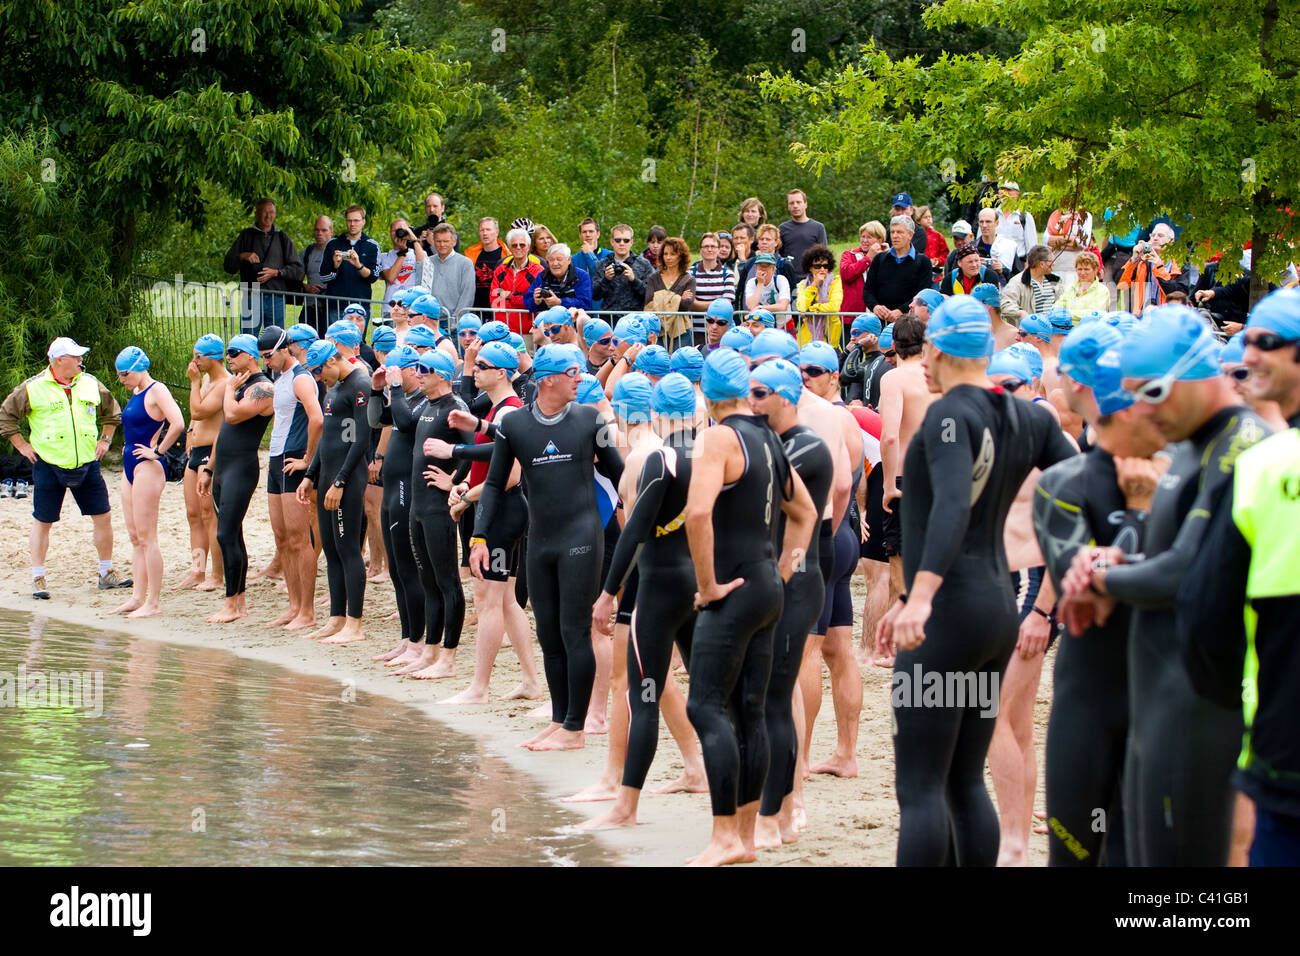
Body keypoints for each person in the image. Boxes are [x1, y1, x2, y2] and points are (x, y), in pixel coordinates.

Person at [1059, 306, 1271, 866]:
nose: (1143, 413)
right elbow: (1163, 545)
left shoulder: (1242, 446)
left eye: (1151, 392)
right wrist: (1115, 556)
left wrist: (1103, 576)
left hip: (1198, 699)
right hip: (1157, 695)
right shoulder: (1189, 445)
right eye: (1130, 396)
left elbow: (1183, 570)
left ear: (1196, 374)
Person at [875, 297, 1075, 866]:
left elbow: (950, 507)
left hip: (949, 614)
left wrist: (921, 598)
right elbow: (1083, 479)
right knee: (964, 779)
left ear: (935, 350)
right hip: (994, 609)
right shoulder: (1031, 415)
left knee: (920, 786)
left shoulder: (948, 415)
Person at [1032, 322, 1165, 866]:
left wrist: (1132, 526)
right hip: (1091, 696)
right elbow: (1083, 587)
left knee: (1137, 856)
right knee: (1076, 850)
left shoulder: (1179, 480)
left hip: (1156, 699)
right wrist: (1140, 517)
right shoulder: (1066, 483)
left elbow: (1175, 577)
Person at [1179, 288, 1300, 866]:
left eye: (1265, 342)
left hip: (1282, 737)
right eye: (1245, 338)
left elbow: (1205, 616)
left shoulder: (1262, 466)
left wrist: (1226, 705)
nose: (1248, 353)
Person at [683, 348, 817, 866]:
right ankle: (742, 838)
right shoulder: (767, 437)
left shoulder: (718, 437)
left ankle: (723, 840)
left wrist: (708, 584)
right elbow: (804, 512)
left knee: (706, 706)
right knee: (750, 710)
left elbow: (698, 513)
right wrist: (782, 571)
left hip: (734, 590)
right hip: (767, 587)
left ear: (707, 394)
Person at [472, 344, 624, 750]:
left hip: (581, 538)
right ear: (549, 378)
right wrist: (480, 536)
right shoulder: (515, 425)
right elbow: (492, 483)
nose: (582, 379)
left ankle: (576, 729)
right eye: (574, 372)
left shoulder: (590, 419)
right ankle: (560, 721)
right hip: (539, 541)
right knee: (549, 634)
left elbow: (621, 478)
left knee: (575, 631)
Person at [576, 374, 709, 828]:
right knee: (677, 683)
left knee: (630, 686)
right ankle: (697, 767)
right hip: (695, 579)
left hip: (650, 581)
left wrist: (608, 594)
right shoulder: (699, 450)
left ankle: (615, 784)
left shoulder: (644, 459)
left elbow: (634, 532)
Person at [747, 358, 834, 848]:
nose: (751, 403)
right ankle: (775, 808)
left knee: (775, 699)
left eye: (760, 394)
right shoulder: (774, 444)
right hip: (772, 578)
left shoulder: (808, 448)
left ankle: (777, 814)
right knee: (762, 699)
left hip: (797, 580)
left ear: (784, 396)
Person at [428, 342, 543, 704]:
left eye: (483, 366)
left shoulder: (510, 413)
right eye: (475, 365)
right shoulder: (498, 411)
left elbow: (509, 476)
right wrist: (464, 483)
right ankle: (530, 682)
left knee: (488, 600)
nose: (474, 370)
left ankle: (479, 688)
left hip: (503, 512)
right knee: (507, 602)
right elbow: (489, 466)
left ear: (503, 373)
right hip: (500, 509)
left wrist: (465, 496)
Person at [0, 337, 133, 600]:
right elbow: (6, 416)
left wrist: (105, 440)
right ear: (59, 360)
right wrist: (22, 446)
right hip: (48, 463)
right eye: (76, 357)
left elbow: (112, 413)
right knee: (43, 520)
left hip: (87, 461)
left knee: (103, 516)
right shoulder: (33, 388)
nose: (81, 360)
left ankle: (106, 573)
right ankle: (38, 577)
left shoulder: (91, 383)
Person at [197, 334, 274, 622]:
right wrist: (208, 468)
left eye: (235, 352)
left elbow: (231, 416)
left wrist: (229, 389)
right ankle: (237, 602)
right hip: (223, 468)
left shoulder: (263, 388)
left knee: (225, 533)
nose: (228, 358)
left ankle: (232, 604)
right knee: (232, 533)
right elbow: (222, 434)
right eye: (227, 352)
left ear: (251, 355)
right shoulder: (240, 384)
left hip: (242, 468)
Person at [104, 347, 184, 617]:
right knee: (135, 537)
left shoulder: (157, 390)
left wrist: (158, 451)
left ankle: (154, 601)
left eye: (124, 374)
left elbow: (178, 422)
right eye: (119, 375)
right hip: (130, 466)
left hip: (147, 468)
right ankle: (137, 597)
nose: (122, 380)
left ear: (139, 367)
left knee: (148, 537)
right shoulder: (137, 393)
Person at [260, 326, 323, 631]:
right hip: (275, 459)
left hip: (293, 458)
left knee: (300, 539)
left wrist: (308, 460)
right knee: (282, 538)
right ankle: (294, 607)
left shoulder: (301, 378)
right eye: (261, 357)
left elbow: (317, 419)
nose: (265, 362)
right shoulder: (280, 377)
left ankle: (307, 611)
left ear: (286, 349)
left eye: (269, 355)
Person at [877, 316, 935, 603]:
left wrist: (888, 485)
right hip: (937, 476)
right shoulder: (936, 377)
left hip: (904, 478)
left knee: (900, 570)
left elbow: (889, 436)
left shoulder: (893, 379)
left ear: (893, 345)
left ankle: (901, 645)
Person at [174, 334, 228, 591]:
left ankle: (217, 575)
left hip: (211, 452)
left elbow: (198, 411)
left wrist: (194, 383)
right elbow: (194, 419)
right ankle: (198, 569)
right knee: (193, 513)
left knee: (210, 514)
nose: (194, 362)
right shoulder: (207, 379)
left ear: (213, 357)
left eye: (199, 356)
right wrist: (189, 432)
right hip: (195, 451)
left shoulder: (224, 383)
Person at [223, 198, 305, 332]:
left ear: (275, 214)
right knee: (248, 339)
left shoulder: (282, 238)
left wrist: (276, 272)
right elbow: (228, 265)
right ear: (256, 214)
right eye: (264, 212)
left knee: (275, 340)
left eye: (271, 212)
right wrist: (243, 256)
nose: (268, 216)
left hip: (276, 297)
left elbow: (298, 270)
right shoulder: (246, 236)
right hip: (251, 294)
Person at [863, 217, 933, 323]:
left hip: (910, 323)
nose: (895, 236)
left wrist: (901, 311)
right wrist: (875, 307)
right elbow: (868, 290)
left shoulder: (923, 261)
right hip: (880, 322)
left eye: (900, 232)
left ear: (910, 235)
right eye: (892, 232)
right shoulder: (879, 259)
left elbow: (922, 294)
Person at [320, 205, 380, 323]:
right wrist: (335, 266)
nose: (352, 224)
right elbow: (323, 277)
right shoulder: (333, 243)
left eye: (356, 220)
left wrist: (358, 265)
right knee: (335, 340)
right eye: (349, 220)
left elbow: (373, 277)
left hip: (360, 306)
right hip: (336, 306)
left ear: (363, 222)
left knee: (358, 340)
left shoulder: (372, 245)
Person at [593, 225, 654, 320]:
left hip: (635, 319)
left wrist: (634, 280)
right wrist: (606, 280)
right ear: (612, 241)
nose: (622, 243)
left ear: (631, 242)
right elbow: (595, 295)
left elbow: (651, 295)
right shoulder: (602, 264)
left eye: (626, 240)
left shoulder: (644, 264)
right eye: (618, 240)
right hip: (609, 318)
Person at [490, 228, 544, 333]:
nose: (518, 248)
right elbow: (494, 301)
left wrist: (509, 296)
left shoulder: (538, 271)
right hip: (503, 330)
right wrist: (521, 298)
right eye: (514, 245)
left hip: (528, 331)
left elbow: (533, 302)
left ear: (528, 246)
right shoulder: (500, 270)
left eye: (522, 245)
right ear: (509, 247)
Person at [419, 224, 475, 323]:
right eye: (438, 241)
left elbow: (467, 296)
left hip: (453, 321)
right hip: (429, 320)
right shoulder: (428, 262)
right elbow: (422, 291)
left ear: (454, 242)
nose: (442, 245)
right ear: (434, 242)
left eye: (446, 241)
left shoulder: (465, 263)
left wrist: (455, 320)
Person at [645, 237, 696, 344]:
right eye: (665, 254)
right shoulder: (653, 278)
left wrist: (660, 297)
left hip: (680, 331)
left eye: (673, 254)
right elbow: (649, 304)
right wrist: (677, 298)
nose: (668, 257)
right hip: (657, 331)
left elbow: (685, 305)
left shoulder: (689, 279)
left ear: (681, 256)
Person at [794, 245, 844, 347]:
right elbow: (802, 307)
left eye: (825, 266)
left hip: (829, 337)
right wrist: (814, 284)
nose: (822, 269)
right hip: (807, 338)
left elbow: (834, 307)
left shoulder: (835, 281)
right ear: (810, 268)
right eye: (817, 266)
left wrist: (813, 308)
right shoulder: (804, 285)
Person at [377, 218, 427, 318]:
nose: (398, 233)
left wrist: (413, 238)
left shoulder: (416, 254)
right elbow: (391, 278)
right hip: (391, 309)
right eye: (394, 230)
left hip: (412, 309)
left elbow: (424, 264)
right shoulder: (384, 257)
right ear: (390, 233)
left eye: (402, 230)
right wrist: (403, 252)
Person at [1000, 244, 1061, 325]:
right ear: (1042, 264)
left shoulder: (1055, 281)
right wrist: (1020, 313)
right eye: (1052, 261)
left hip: (1052, 331)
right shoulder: (1017, 282)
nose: (1054, 263)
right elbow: (1005, 304)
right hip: (1029, 333)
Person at [778, 189, 829, 279]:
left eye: (798, 202)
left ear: (805, 204)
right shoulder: (782, 228)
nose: (795, 206)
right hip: (788, 278)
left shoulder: (818, 227)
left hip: (811, 278)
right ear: (788, 206)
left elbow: (823, 256)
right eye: (791, 203)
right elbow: (779, 255)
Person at [841, 221, 887, 316]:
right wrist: (868, 258)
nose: (864, 241)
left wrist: (888, 255)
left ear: (880, 240)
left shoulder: (886, 256)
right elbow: (846, 275)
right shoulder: (849, 254)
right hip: (852, 314)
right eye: (863, 236)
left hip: (878, 314)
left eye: (869, 237)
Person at [464, 217, 508, 313]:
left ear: (497, 232)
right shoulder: (471, 255)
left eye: (488, 230)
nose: (485, 233)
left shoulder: (506, 255)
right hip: (476, 308)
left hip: (499, 307)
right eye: (482, 230)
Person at [301, 215, 335, 331]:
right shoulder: (307, 252)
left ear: (331, 231)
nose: (319, 233)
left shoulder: (339, 252)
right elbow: (294, 278)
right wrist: (307, 288)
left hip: (332, 309)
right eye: (317, 230)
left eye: (324, 230)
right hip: (310, 307)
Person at [1056, 250, 1111, 319]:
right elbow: (1057, 307)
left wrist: (1066, 314)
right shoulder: (1070, 288)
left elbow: (1094, 314)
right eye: (1079, 269)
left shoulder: (1102, 290)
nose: (1082, 273)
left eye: (1086, 269)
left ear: (1095, 270)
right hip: (1066, 327)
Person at [995, 183, 1038, 266]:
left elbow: (1032, 247)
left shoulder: (1024, 216)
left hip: (1019, 263)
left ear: (1017, 193)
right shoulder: (992, 215)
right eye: (1002, 189)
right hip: (996, 262)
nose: (1005, 193)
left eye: (1009, 190)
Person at [744, 253, 792, 317]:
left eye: (766, 266)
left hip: (783, 324)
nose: (763, 269)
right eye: (760, 266)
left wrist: (760, 308)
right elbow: (751, 306)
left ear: (773, 269)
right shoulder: (751, 282)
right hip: (764, 323)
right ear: (756, 268)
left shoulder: (780, 279)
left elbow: (783, 306)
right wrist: (760, 283)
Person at [913, 205, 950, 279]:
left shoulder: (937, 235)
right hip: (918, 273)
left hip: (935, 275)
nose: (929, 219)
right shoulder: (914, 235)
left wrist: (937, 261)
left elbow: (945, 254)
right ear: (918, 220)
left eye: (930, 217)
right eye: (925, 217)